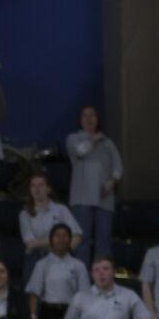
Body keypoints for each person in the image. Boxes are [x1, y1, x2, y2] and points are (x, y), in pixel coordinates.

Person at [65, 106, 122, 264]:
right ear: (80, 119)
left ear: (98, 119)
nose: (89, 119)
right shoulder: (73, 138)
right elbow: (80, 151)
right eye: (85, 115)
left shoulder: (108, 142)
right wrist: (94, 139)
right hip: (81, 197)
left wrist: (112, 181)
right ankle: (81, 275)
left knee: (103, 241)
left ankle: (102, 277)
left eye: (93, 115)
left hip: (104, 198)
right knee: (81, 239)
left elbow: (118, 167)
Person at [18, 173, 83, 274]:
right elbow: (31, 244)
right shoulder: (25, 214)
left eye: (41, 185)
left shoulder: (61, 209)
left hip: (61, 254)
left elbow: (77, 236)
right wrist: (59, 241)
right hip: (36, 257)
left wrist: (64, 252)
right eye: (33, 185)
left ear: (48, 189)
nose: (36, 189)